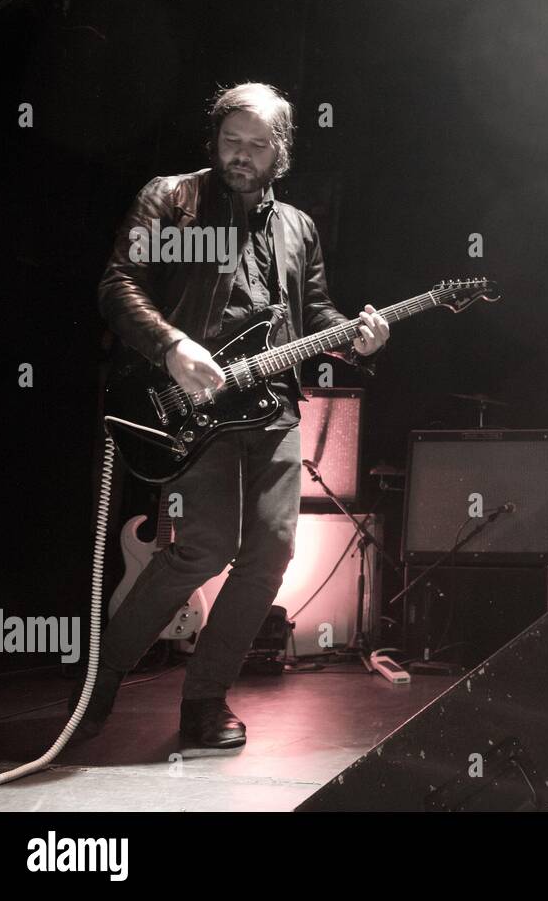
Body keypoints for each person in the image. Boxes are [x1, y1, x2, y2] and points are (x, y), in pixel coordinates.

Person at [79, 83, 390, 749]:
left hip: (271, 407)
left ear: (282, 152)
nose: (241, 156)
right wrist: (171, 345)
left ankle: (204, 701)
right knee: (203, 548)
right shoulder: (173, 199)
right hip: (191, 405)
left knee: (271, 554)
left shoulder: (297, 227)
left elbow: (317, 314)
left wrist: (354, 336)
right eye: (231, 140)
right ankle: (99, 681)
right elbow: (117, 283)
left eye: (257, 145)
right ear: (213, 138)